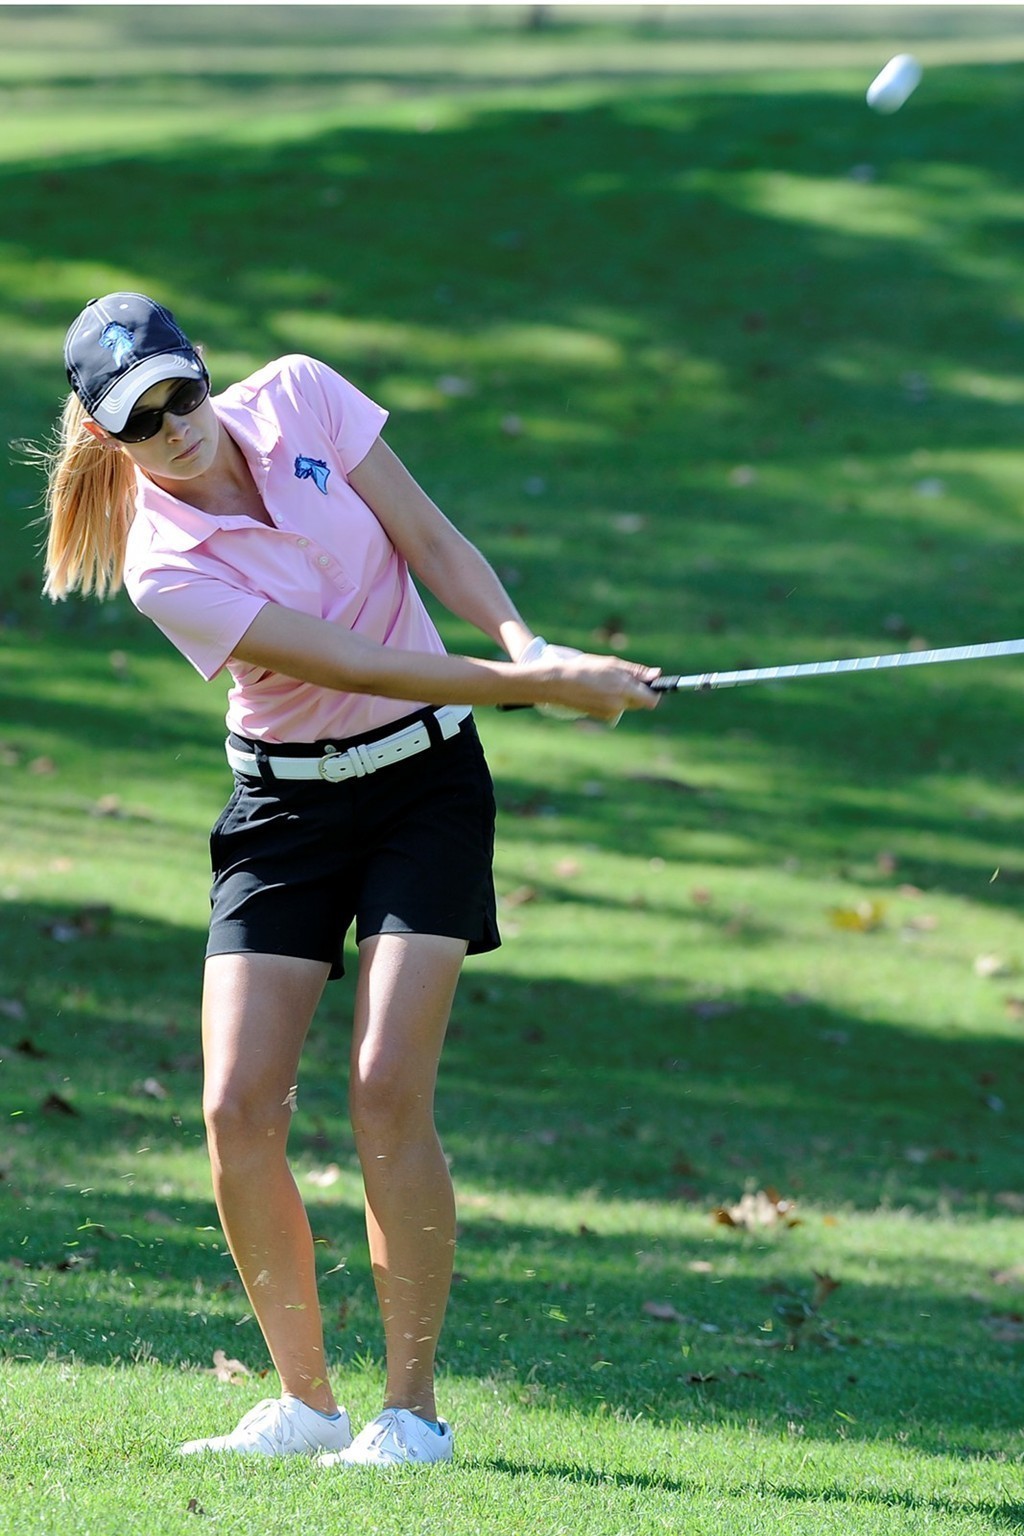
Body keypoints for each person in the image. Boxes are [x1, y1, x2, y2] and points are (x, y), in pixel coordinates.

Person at [42, 292, 659, 1468]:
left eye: (183, 393)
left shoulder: (305, 397)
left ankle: (410, 1411)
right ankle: (306, 1404)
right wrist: (548, 691)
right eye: (141, 421)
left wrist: (528, 647)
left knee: (384, 1087)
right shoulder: (164, 567)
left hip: (424, 786)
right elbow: (364, 661)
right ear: (103, 434)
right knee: (235, 1109)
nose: (178, 428)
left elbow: (429, 544)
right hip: (284, 812)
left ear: (202, 369)